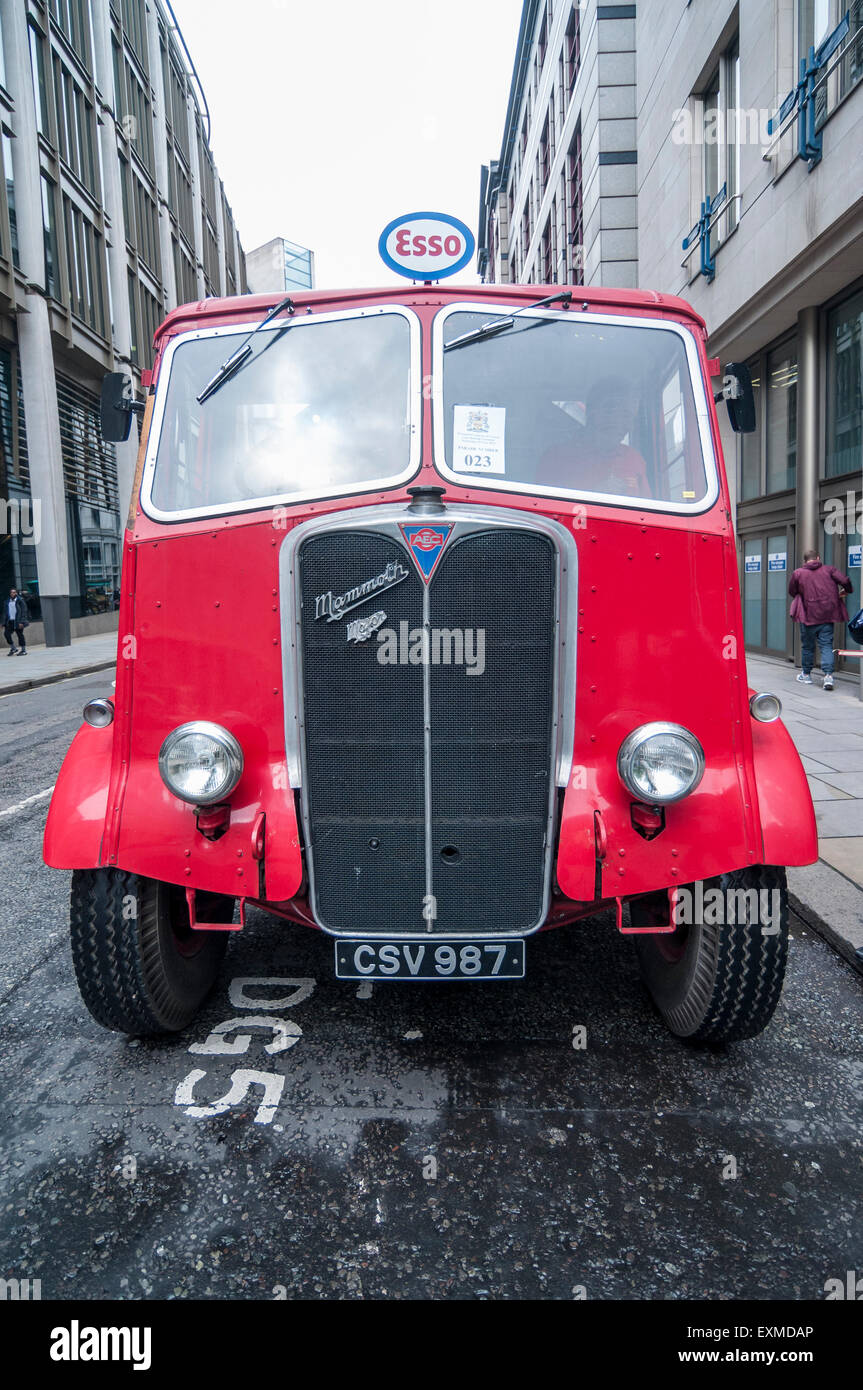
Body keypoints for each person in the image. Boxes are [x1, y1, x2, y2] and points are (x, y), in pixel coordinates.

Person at [540, 377, 649, 496]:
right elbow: (541, 510)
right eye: (611, 412)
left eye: (629, 416)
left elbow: (649, 512)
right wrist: (595, 496)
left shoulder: (634, 459)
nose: (622, 423)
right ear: (592, 413)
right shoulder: (556, 458)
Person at [788, 549, 853, 690]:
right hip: (827, 615)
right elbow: (845, 580)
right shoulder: (829, 570)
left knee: (807, 646)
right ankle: (828, 676)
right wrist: (846, 590)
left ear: (805, 561)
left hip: (807, 615)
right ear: (818, 558)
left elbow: (792, 592)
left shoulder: (798, 573)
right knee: (826, 645)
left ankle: (806, 675)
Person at [4, 587, 29, 656]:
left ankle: (23, 650)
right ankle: (13, 648)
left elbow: (24, 612)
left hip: (18, 621)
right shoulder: (7, 601)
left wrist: (22, 621)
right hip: (10, 621)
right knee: (6, 634)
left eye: (14, 592)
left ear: (16, 593)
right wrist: (4, 622)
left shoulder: (20, 601)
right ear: (10, 593)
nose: (13, 593)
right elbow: (5, 612)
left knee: (20, 635)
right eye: (12, 592)